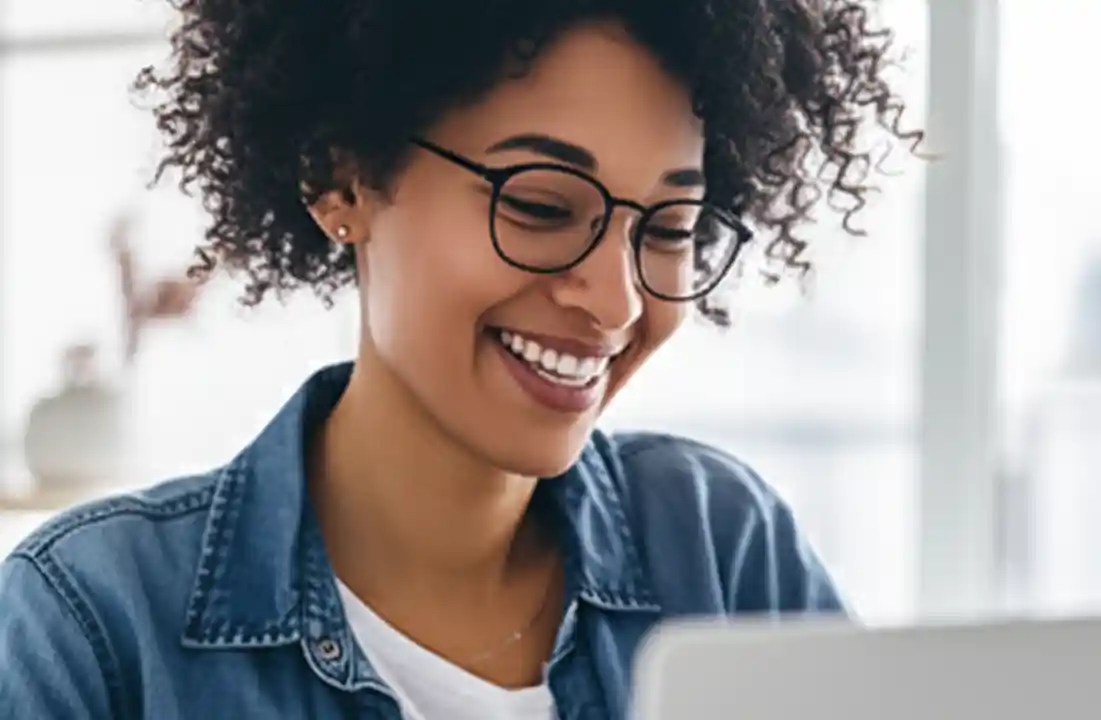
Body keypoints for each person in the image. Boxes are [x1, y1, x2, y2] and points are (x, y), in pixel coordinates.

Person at [0, 1, 919, 718]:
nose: (617, 300)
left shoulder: (723, 550)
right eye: (542, 206)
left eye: (669, 226)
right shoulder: (92, 625)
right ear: (342, 179)